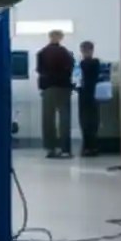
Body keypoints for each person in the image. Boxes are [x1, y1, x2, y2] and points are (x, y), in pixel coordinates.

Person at [36, 29, 76, 159]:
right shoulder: (66, 53)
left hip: (48, 88)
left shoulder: (42, 53)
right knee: (64, 120)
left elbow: (40, 70)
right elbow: (71, 68)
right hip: (63, 88)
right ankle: (65, 149)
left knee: (48, 120)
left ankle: (51, 149)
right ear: (60, 38)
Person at [78, 41, 102, 157]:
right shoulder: (94, 63)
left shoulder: (87, 63)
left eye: (86, 50)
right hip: (90, 95)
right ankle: (90, 147)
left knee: (88, 121)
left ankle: (89, 147)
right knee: (89, 121)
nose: (85, 53)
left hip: (88, 95)